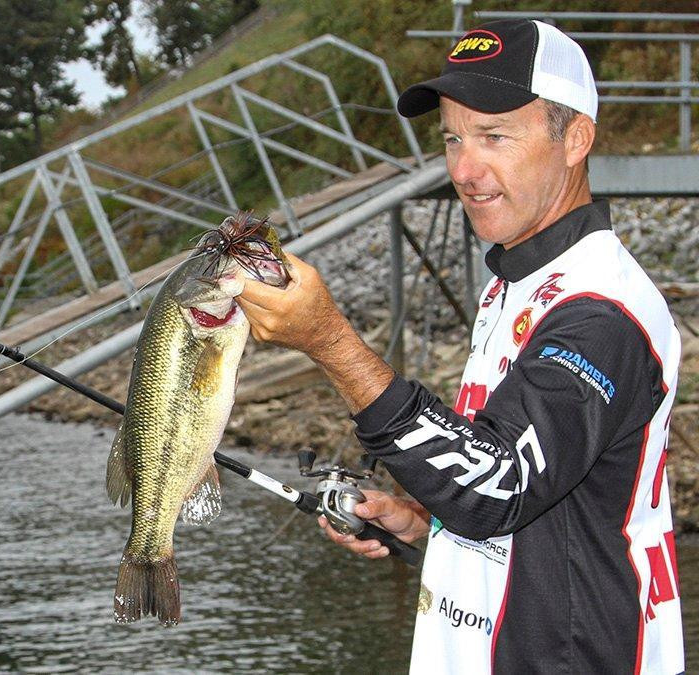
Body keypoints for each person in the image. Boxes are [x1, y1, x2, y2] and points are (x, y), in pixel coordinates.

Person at [234, 19, 684, 673]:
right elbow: (530, 483)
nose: (464, 170)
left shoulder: (601, 313)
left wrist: (329, 340)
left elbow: (499, 487)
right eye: (452, 138)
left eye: (494, 136)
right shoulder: (518, 279)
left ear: (575, 139)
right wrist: (424, 518)